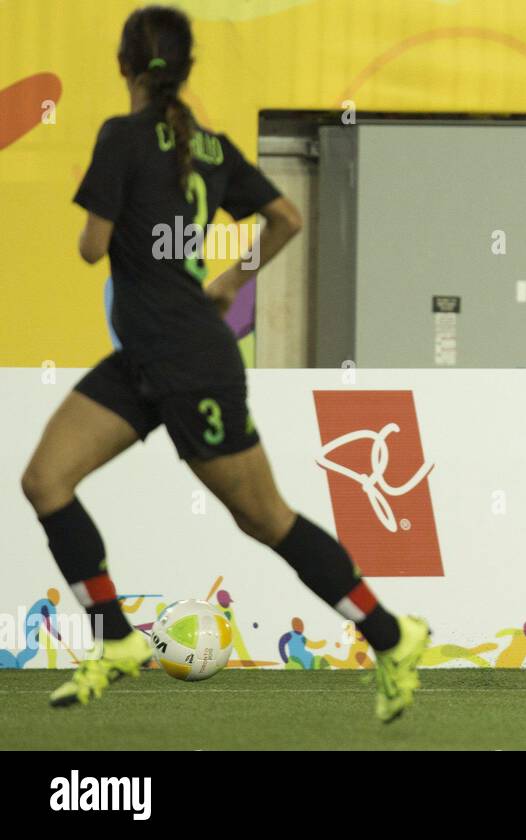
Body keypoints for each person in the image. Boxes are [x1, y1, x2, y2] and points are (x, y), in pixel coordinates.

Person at [19, 5, 429, 722]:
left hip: (189, 366)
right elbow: (286, 219)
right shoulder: (205, 146)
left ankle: (393, 636)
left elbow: (91, 247)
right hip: (146, 359)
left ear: (124, 65)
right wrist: (231, 281)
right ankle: (116, 640)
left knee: (264, 520)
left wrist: (104, 196)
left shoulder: (122, 138)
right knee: (45, 480)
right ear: (182, 69)